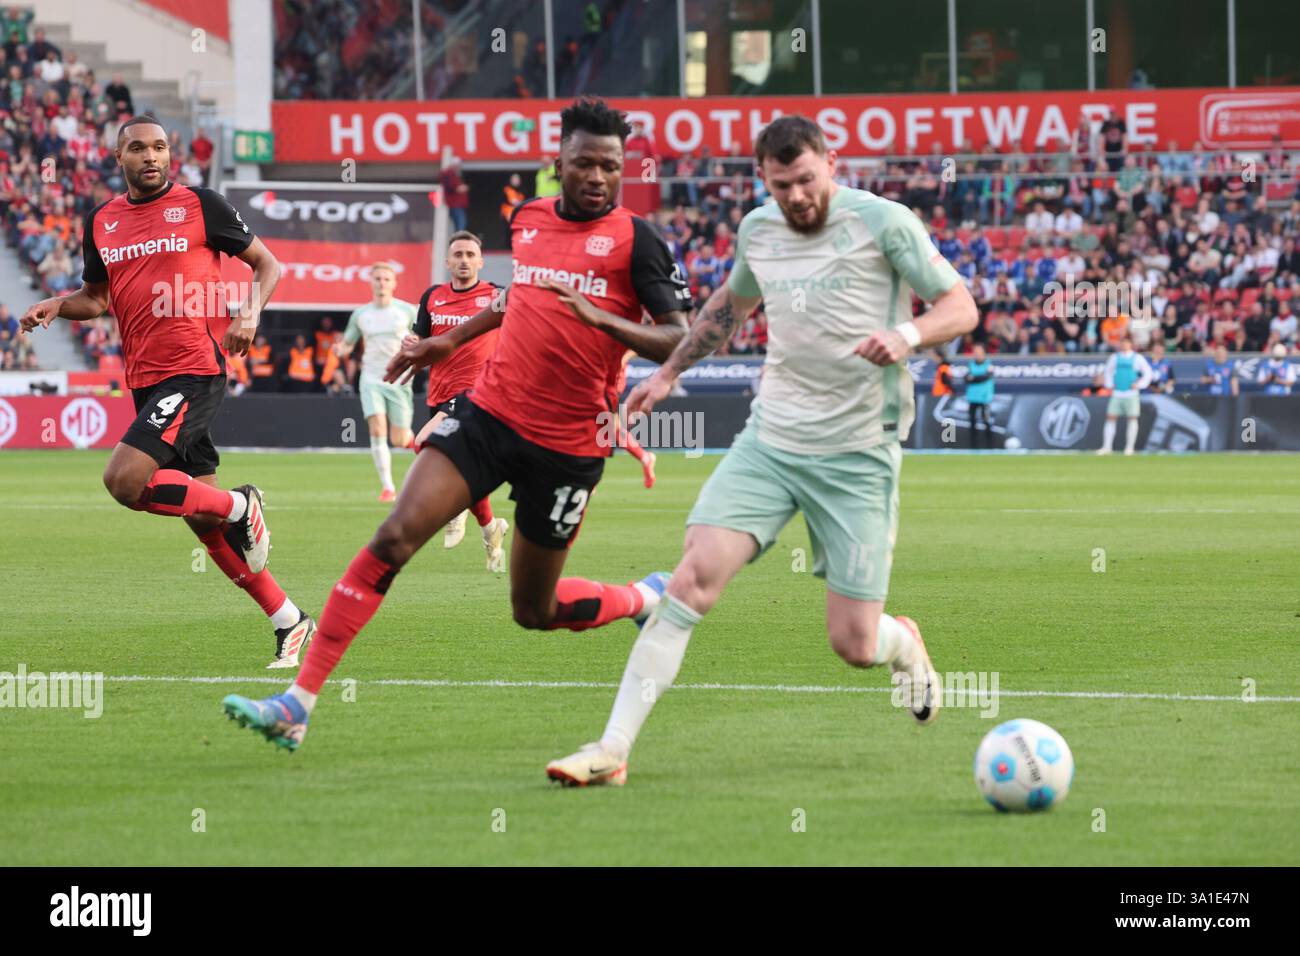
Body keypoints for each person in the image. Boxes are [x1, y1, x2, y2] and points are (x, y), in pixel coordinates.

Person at [222, 96, 693, 752]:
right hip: (488, 413)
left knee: (535, 610)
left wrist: (602, 319)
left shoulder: (638, 242)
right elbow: (514, 299)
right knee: (394, 537)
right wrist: (445, 343)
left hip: (569, 445)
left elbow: (679, 336)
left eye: (610, 167)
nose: (597, 177)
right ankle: (297, 704)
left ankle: (643, 599)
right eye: (583, 163)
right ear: (555, 164)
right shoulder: (527, 219)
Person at [545, 114, 978, 787]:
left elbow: (961, 307)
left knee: (854, 644)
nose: (798, 196)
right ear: (764, 181)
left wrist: (907, 334)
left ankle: (904, 645)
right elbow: (728, 306)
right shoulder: (759, 229)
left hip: (858, 454)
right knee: (690, 579)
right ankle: (612, 750)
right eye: (782, 186)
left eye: (806, 180)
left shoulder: (885, 221)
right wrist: (667, 373)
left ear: (830, 162)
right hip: (771, 439)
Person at [18, 114, 316, 670]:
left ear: (169, 154)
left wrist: (249, 312)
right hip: (145, 376)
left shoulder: (202, 204)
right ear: (118, 158)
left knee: (125, 481)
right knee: (201, 520)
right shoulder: (101, 221)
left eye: (159, 147)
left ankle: (240, 504)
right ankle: (289, 619)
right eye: (137, 148)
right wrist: (59, 305)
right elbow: (97, 299)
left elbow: (267, 264)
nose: (150, 156)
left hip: (195, 367)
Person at [409, 229, 510, 568]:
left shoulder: (497, 296)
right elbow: (420, 339)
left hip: (478, 392)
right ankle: (489, 527)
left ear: (480, 261)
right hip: (439, 391)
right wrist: (410, 349)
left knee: (424, 442)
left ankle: (454, 511)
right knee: (463, 463)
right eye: (458, 255)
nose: (464, 260)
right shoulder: (432, 296)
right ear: (447, 261)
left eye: (470, 255)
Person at [333, 262, 419, 502]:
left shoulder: (407, 311)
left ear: (394, 283)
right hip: (370, 377)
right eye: (378, 278)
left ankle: (419, 444)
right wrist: (340, 349)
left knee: (399, 439)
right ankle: (388, 487)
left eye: (386, 279)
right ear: (371, 282)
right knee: (377, 428)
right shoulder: (361, 314)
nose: (382, 283)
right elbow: (348, 344)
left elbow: (422, 337)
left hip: (400, 378)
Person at [1097, 336, 1153, 456]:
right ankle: (1107, 447)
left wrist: (1139, 384)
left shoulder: (1137, 358)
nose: (1124, 345)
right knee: (1111, 417)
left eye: (1126, 343)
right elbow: (1108, 372)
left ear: (1131, 344)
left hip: (1131, 393)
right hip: (1117, 392)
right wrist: (1110, 385)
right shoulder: (1114, 357)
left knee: (1132, 418)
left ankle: (1129, 448)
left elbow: (1147, 373)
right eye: (1122, 343)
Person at [965, 343, 994, 448]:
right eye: (975, 351)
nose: (976, 353)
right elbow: (966, 378)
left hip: (985, 398)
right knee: (972, 423)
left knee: (987, 422)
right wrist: (973, 378)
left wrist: (973, 378)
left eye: (978, 351)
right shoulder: (970, 364)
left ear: (983, 352)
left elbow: (985, 377)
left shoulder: (989, 364)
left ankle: (990, 446)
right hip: (972, 398)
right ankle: (973, 447)